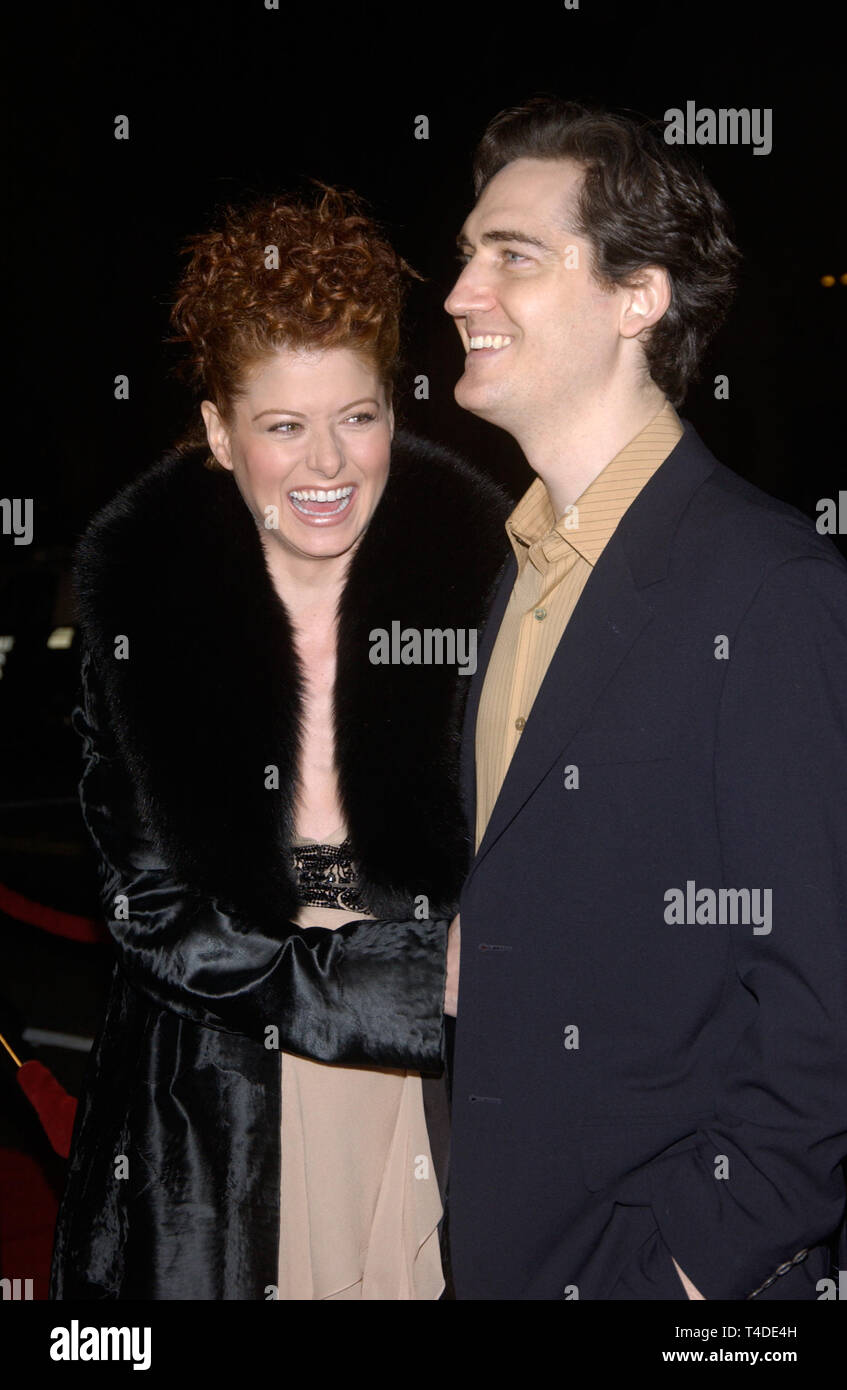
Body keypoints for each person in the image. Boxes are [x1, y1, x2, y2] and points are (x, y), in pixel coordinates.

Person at [49, 185, 509, 1300]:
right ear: (218, 432)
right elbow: (146, 909)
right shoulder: (143, 598)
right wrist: (369, 987)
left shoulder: (486, 574)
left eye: (355, 416)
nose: (328, 466)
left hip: (438, 1084)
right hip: (215, 1091)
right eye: (282, 425)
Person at [440, 97, 847, 1300]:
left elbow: (822, 1005)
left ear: (638, 296)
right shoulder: (519, 574)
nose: (462, 292)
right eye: (468, 256)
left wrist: (687, 1263)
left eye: (511, 256)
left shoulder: (771, 587)